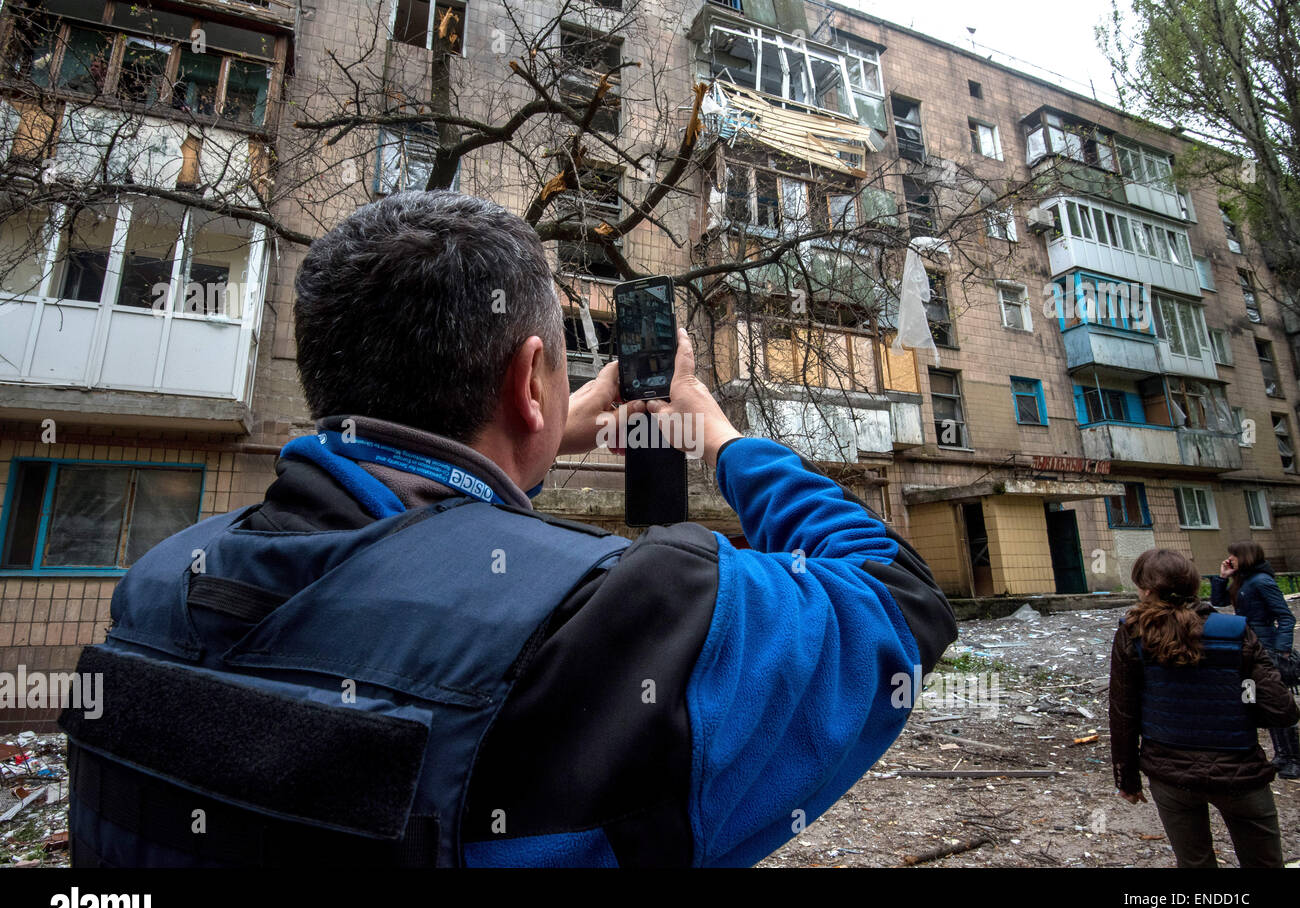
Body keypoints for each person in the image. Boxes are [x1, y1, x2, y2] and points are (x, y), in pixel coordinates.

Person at [58, 191, 957, 867]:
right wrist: (714, 430)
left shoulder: (161, 582)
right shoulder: (618, 617)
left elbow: (407, 535)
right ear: (533, 378)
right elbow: (895, 595)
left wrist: (532, 432)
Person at [1110, 548, 1298, 868]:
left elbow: (1123, 714)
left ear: (1147, 589)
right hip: (1240, 773)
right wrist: (1238, 705)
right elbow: (1282, 710)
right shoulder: (1236, 631)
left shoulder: (1133, 633)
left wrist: (1127, 780)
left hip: (1171, 777)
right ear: (1195, 586)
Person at [1210, 540, 1300, 779]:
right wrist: (1223, 577)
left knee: (1275, 700)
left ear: (1246, 556)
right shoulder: (1244, 581)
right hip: (1247, 646)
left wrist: (1281, 652)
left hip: (1265, 648)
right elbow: (1218, 603)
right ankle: (1280, 755)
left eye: (1233, 555)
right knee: (1251, 698)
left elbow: (1286, 617)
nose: (1230, 559)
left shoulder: (1262, 581)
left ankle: (1293, 757)